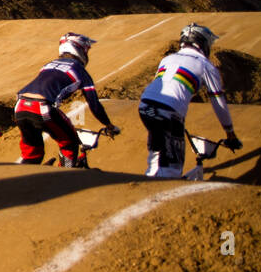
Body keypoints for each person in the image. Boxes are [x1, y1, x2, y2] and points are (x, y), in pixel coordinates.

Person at [137, 24, 241, 178]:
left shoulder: (167, 59)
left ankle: (144, 186)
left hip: (145, 106)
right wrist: (230, 132)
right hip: (169, 111)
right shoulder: (206, 66)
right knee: (172, 168)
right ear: (202, 43)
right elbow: (218, 102)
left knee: (157, 157)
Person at [13, 33, 118, 166]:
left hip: (20, 105)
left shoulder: (48, 65)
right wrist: (109, 125)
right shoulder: (80, 70)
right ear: (79, 49)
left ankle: (23, 181)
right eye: (87, 49)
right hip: (42, 107)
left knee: (33, 152)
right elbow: (94, 104)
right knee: (70, 143)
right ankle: (63, 176)